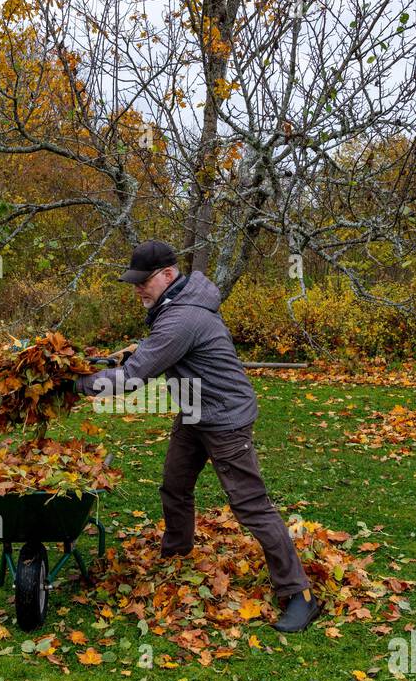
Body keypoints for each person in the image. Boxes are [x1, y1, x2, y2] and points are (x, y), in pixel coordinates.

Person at [75, 240, 321, 632]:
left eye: (144, 281)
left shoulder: (180, 318)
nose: (138, 289)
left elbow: (135, 378)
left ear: (168, 275)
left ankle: (300, 595)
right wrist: (134, 352)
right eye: (134, 282)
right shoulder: (176, 308)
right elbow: (160, 351)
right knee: (175, 485)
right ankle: (176, 553)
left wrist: (77, 384)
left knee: (251, 506)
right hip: (195, 411)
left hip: (224, 418)